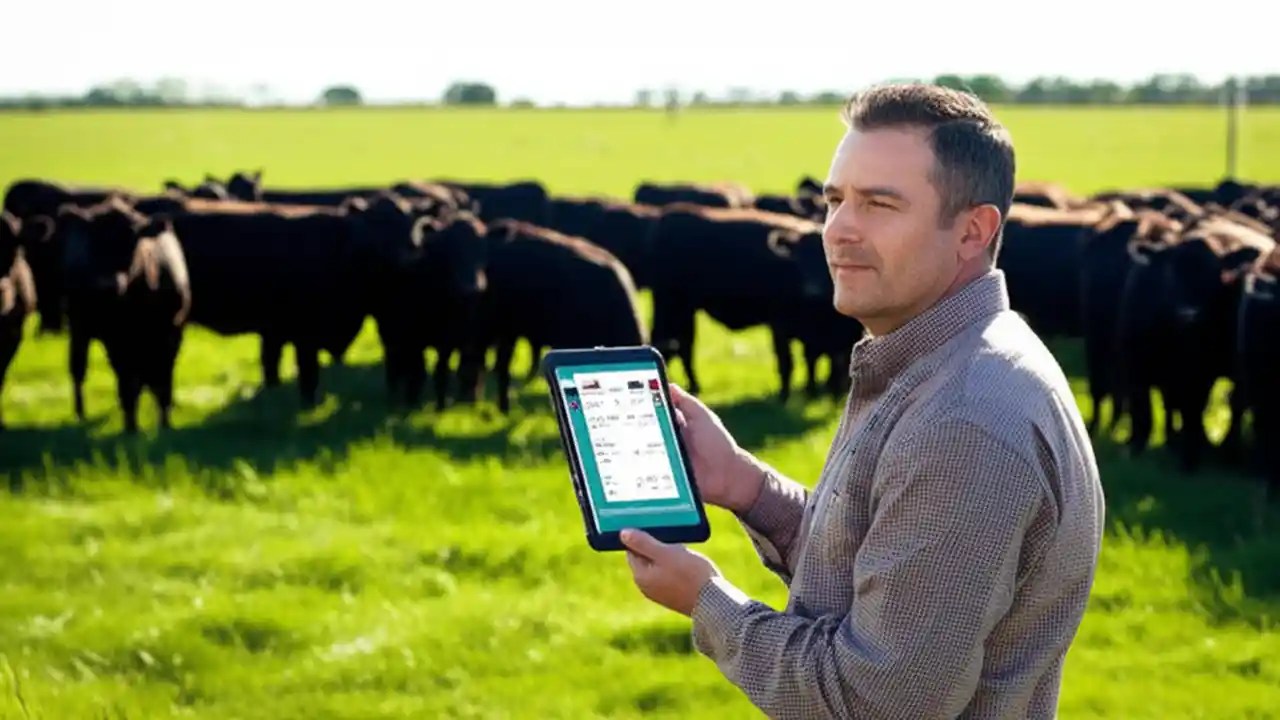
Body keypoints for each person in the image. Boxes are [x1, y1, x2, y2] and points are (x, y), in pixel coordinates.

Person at [619, 82, 1106, 719]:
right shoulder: (955, 359)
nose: (840, 230)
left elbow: (873, 702)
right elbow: (881, 577)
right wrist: (745, 485)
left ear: (972, 231)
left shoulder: (967, 419)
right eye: (834, 200)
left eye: (879, 204)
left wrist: (708, 601)